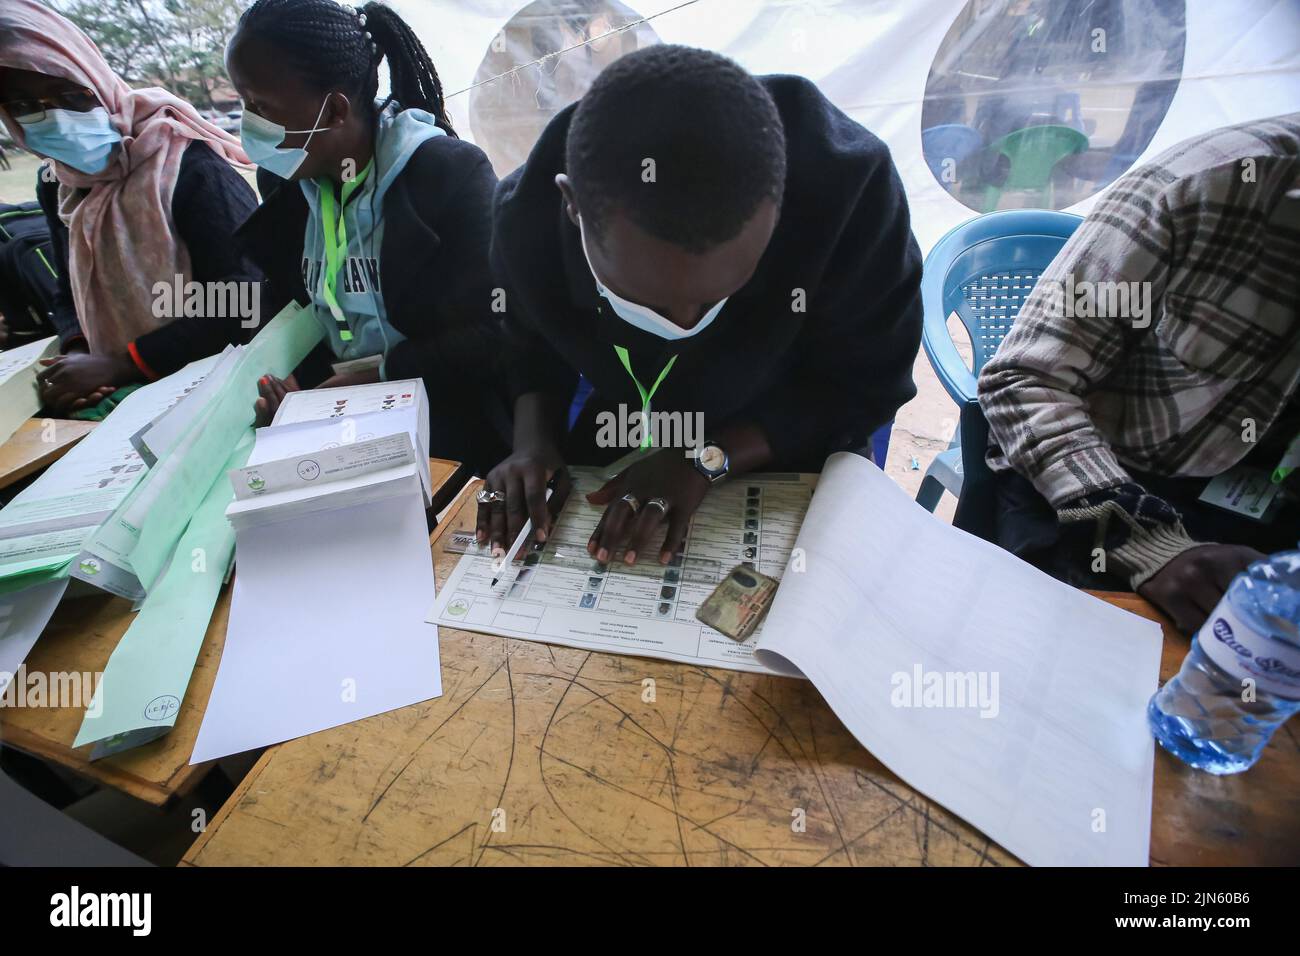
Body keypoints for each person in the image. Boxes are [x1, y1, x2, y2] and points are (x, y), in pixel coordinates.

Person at [479, 44, 923, 565]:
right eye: (645, 301)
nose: (683, 325)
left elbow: (864, 383)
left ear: (778, 214)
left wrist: (706, 458)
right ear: (572, 207)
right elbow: (530, 345)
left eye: (717, 296)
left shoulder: (850, 198)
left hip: (789, 425)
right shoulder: (524, 221)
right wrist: (533, 443)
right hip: (626, 426)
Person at [979, 113, 1300, 634]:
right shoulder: (1204, 187)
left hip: (1256, 501)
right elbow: (1024, 381)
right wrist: (1150, 542)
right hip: (1099, 476)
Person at [228, 0, 508, 474]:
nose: (249, 123)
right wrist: (294, 388)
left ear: (335, 109)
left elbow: (496, 331)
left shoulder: (446, 175)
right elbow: (297, 309)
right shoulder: (289, 182)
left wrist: (375, 378)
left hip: (451, 428)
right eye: (244, 104)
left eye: (262, 107)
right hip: (335, 421)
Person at [0, 0, 259, 413]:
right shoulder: (57, 182)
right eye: (23, 107)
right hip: (112, 384)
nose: (56, 120)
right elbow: (68, 289)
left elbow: (247, 298)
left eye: (70, 96)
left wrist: (123, 364)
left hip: (209, 380)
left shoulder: (189, 166)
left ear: (98, 83)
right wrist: (81, 354)